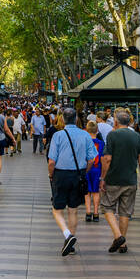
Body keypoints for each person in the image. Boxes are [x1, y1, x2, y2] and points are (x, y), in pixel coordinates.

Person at [47, 108, 100, 256]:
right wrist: (85, 171)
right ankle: (70, 245)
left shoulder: (58, 135)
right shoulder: (85, 135)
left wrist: (51, 175)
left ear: (62, 119)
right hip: (79, 174)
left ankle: (67, 235)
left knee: (57, 209)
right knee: (73, 209)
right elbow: (92, 159)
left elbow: (52, 161)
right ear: (76, 119)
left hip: (61, 175)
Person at [100, 109, 140, 254]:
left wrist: (103, 178)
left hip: (113, 179)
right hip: (130, 179)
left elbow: (107, 158)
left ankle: (118, 236)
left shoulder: (112, 135)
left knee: (107, 207)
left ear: (116, 122)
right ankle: (122, 243)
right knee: (125, 212)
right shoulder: (137, 136)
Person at [83, 120, 104, 223]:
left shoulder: (85, 142)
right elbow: (103, 158)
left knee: (87, 192)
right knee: (96, 192)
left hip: (86, 169)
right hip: (97, 169)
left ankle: (88, 212)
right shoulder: (101, 143)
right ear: (97, 131)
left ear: (87, 130)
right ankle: (96, 213)